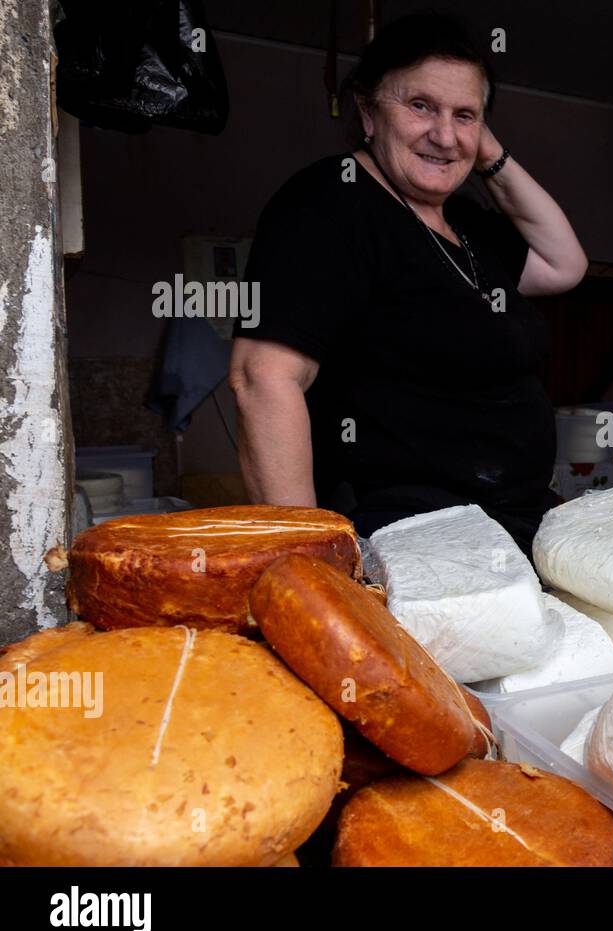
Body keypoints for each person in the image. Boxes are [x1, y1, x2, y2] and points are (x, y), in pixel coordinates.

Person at [230, 12, 585, 551]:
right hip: (406, 543)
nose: (444, 135)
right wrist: (306, 563)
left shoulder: (465, 222)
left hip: (511, 530)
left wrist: (483, 147)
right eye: (420, 106)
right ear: (368, 112)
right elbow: (263, 381)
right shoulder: (330, 203)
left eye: (465, 115)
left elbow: (564, 265)